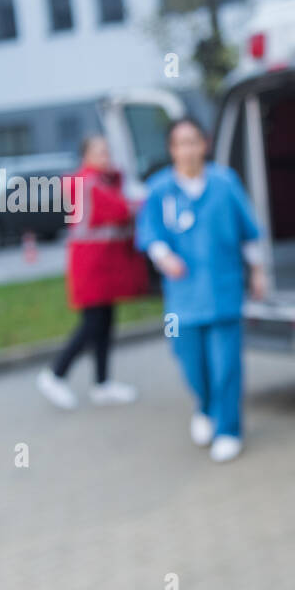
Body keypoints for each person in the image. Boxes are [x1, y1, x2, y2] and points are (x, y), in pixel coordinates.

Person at [135, 118, 267, 464]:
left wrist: (257, 271)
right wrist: (163, 256)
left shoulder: (224, 183)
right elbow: (149, 233)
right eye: (181, 143)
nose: (188, 149)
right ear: (172, 149)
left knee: (226, 366)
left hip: (223, 289)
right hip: (183, 296)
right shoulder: (160, 189)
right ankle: (205, 408)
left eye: (194, 141)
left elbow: (248, 230)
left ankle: (229, 429)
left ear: (204, 145)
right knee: (189, 360)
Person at [37, 135, 147, 409]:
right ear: (85, 155)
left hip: (104, 265)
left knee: (105, 324)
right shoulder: (88, 183)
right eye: (99, 151)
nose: (106, 155)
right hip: (92, 266)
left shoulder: (101, 181)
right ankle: (55, 374)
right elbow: (122, 208)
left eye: (107, 150)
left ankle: (102, 383)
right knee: (92, 324)